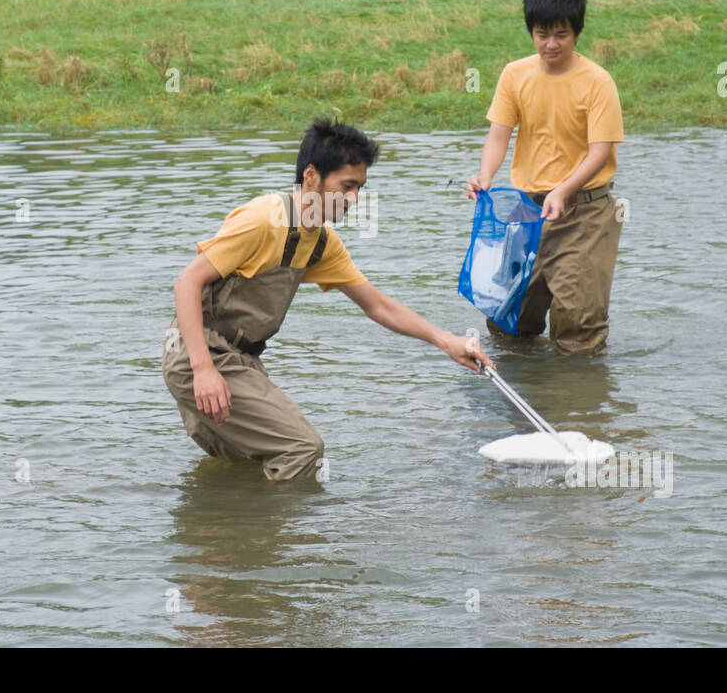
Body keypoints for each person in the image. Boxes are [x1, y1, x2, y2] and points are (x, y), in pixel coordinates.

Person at [164, 117, 494, 481]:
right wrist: (203, 371)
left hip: (238, 360)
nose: (354, 199)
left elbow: (378, 305)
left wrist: (448, 341)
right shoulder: (263, 220)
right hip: (199, 356)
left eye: (360, 188)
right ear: (311, 176)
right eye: (347, 186)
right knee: (303, 449)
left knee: (245, 470)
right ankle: (283, 538)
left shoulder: (320, 242)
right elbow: (186, 283)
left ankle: (231, 533)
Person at [465, 0, 624, 354]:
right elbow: (499, 135)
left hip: (583, 211)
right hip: (526, 210)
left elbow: (599, 152)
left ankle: (576, 404)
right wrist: (484, 176)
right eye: (542, 34)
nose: (551, 44)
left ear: (577, 34)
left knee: (577, 326)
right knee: (510, 318)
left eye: (561, 35)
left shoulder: (598, 82)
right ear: (531, 33)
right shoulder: (515, 75)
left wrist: (562, 190)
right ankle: (520, 391)